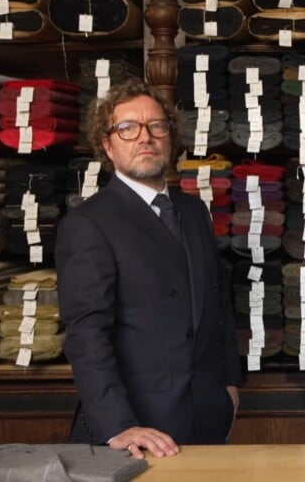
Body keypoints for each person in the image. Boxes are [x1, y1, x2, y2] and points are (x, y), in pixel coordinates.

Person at [55, 79, 241, 459]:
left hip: (206, 414)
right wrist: (118, 425)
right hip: (137, 427)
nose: (145, 137)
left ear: (170, 138)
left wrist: (230, 384)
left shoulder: (194, 212)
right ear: (108, 145)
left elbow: (218, 303)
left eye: (157, 126)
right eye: (128, 128)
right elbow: (87, 336)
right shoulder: (88, 223)